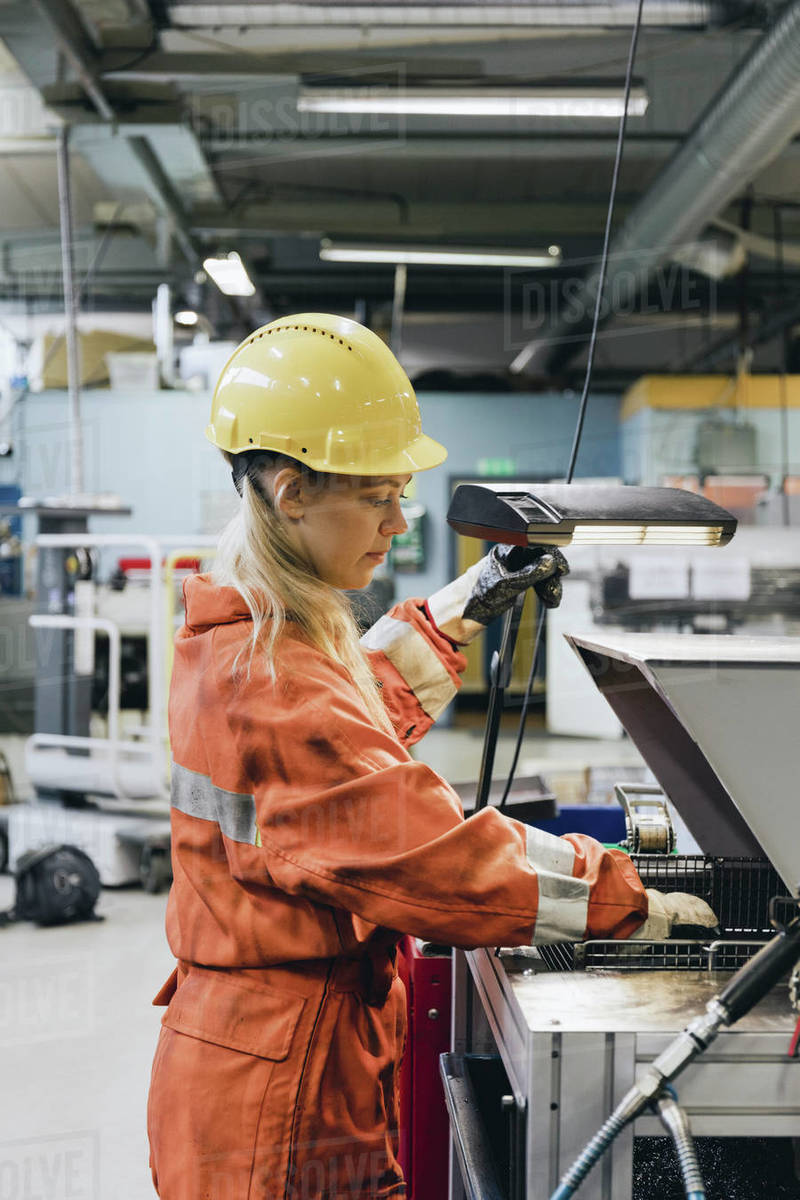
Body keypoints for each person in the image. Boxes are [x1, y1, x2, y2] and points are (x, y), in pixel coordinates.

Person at [147, 313, 716, 1200]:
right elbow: (437, 854)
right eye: (377, 496)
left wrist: (468, 602)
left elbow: (351, 718)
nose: (397, 519)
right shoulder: (271, 678)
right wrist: (623, 897)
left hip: (257, 1047)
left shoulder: (249, 635)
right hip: (277, 1093)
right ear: (291, 490)